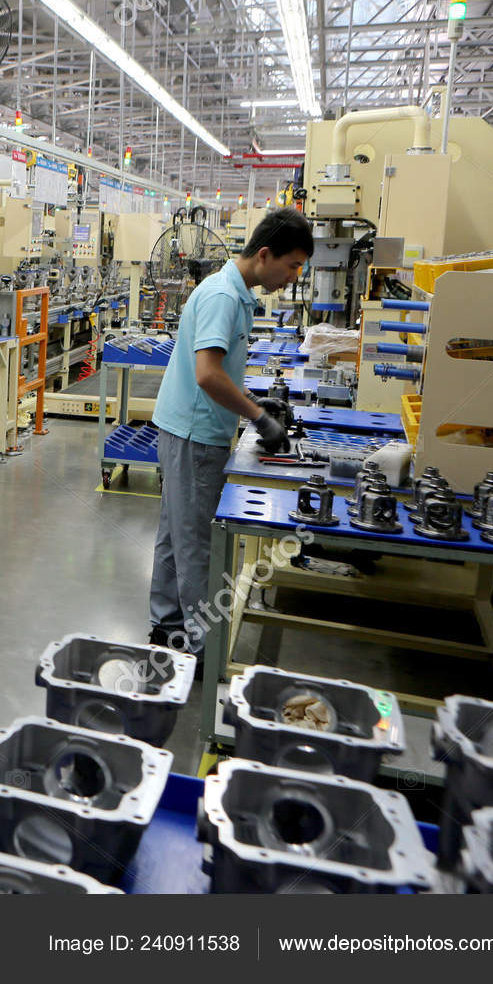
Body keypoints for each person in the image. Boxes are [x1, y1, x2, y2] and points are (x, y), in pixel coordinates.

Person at [147, 207, 313, 653]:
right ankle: (201, 647)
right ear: (264, 254)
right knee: (197, 542)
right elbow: (207, 375)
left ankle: (166, 624)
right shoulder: (223, 295)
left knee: (174, 532)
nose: (294, 276)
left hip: (186, 426)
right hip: (195, 433)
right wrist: (259, 418)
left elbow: (217, 372)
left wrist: (254, 403)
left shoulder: (233, 292)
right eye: (293, 265)